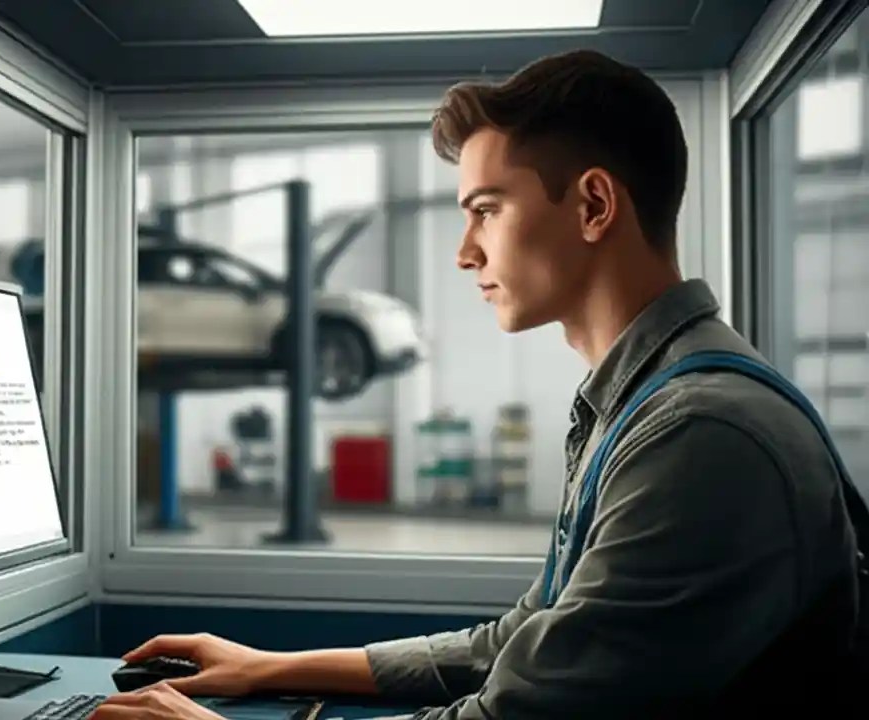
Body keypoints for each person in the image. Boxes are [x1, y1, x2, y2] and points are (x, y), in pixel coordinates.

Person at [89, 48, 863, 719]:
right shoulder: (635, 402)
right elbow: (525, 640)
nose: (465, 252)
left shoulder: (698, 435)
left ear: (594, 205)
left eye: (486, 211)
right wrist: (270, 666)